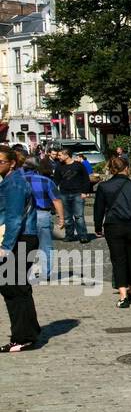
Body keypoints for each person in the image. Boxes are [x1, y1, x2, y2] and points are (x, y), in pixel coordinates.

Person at [93, 156, 131, 308]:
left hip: (113, 226)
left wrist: (98, 227)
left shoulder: (103, 187)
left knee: (118, 259)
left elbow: (98, 209)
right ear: (126, 168)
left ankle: (123, 295)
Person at [0, 147, 40, 351]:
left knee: (12, 287)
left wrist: (6, 247)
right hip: (21, 238)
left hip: (20, 239)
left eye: (0, 162)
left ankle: (23, 337)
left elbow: (14, 218)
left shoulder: (14, 183)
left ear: (12, 163)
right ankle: (29, 332)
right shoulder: (10, 181)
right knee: (17, 286)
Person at [21, 159, 64, 283]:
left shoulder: (17, 181)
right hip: (42, 214)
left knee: (23, 244)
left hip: (23, 215)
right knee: (45, 245)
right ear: (37, 168)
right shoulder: (46, 181)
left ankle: (22, 272)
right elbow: (56, 200)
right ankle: (46, 273)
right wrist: (61, 218)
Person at [54, 149, 94, 244]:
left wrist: (84, 192)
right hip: (64, 194)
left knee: (79, 216)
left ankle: (83, 236)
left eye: (60, 155)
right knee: (67, 217)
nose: (58, 157)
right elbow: (56, 180)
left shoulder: (78, 165)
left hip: (78, 194)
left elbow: (86, 179)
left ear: (67, 155)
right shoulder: (59, 166)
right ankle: (69, 235)